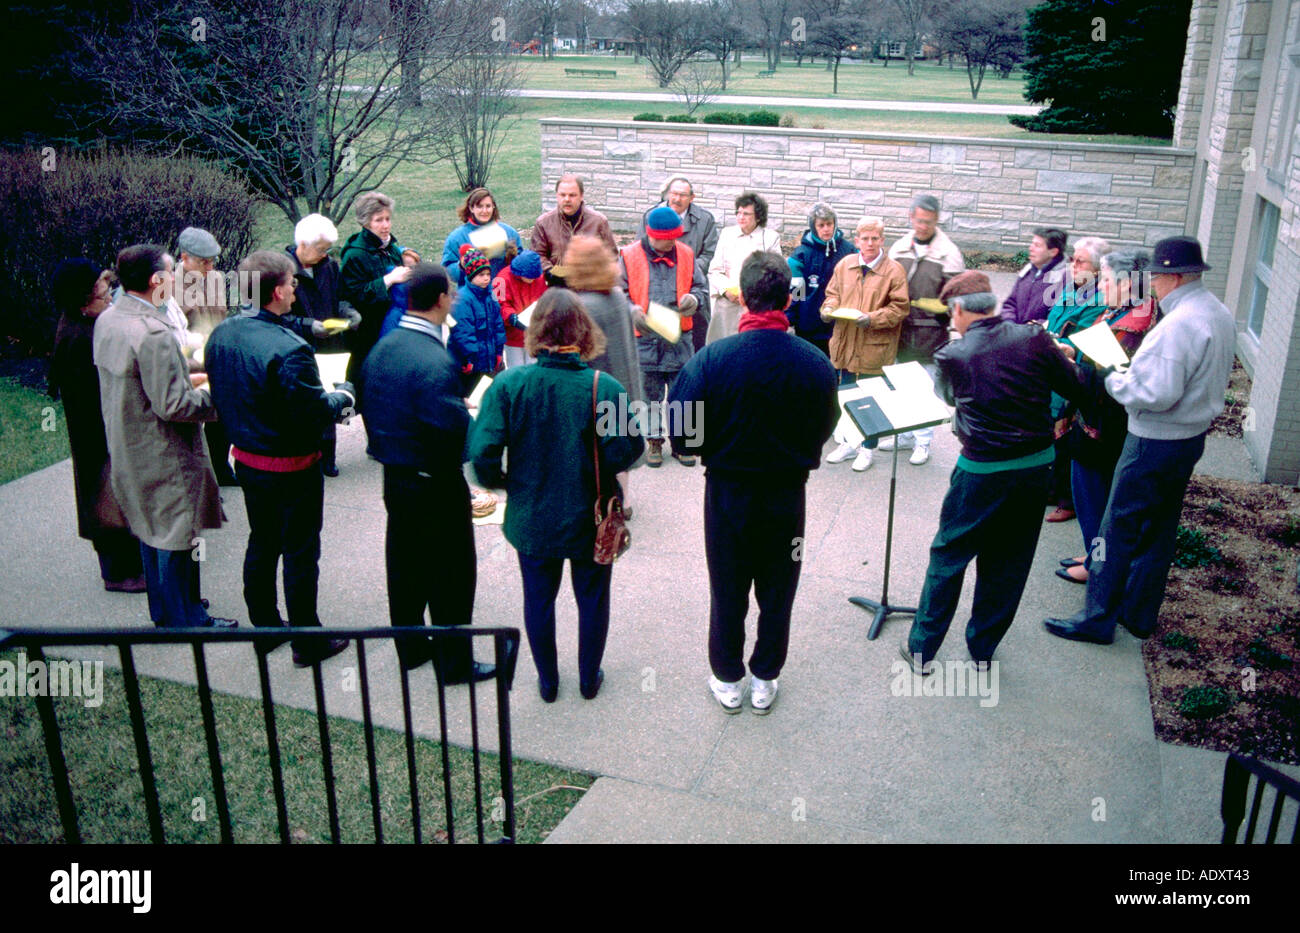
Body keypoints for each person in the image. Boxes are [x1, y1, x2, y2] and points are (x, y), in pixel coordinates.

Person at [1044, 236, 1235, 645]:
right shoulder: (1215, 311)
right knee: (1159, 528)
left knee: (1118, 528)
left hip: (1155, 440)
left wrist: (1113, 377)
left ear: (1177, 276)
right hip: (1188, 438)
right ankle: (1139, 613)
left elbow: (1155, 394)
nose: (1154, 283)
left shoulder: (1179, 325)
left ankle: (1097, 620)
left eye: (1159, 276)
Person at [668, 252, 837, 714]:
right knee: (779, 588)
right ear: (787, 297)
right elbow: (825, 423)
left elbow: (682, 431)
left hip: (727, 492)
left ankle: (728, 677)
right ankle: (765, 676)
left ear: (744, 298)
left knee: (727, 587)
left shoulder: (711, 360)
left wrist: (709, 444)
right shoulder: (814, 362)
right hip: (787, 494)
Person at [900, 272, 1083, 673]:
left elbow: (948, 397)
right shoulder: (1034, 339)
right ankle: (982, 649)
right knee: (1009, 560)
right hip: (1036, 467)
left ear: (961, 309)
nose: (953, 323)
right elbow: (1074, 387)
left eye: (952, 315)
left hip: (980, 469)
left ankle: (922, 649)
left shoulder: (952, 355)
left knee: (948, 556)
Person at [468, 290, 644, 702]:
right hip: (591, 518)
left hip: (532, 518)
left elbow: (482, 453)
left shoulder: (510, 384)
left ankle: (547, 682)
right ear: (584, 332)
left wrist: (506, 483)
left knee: (538, 599)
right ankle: (587, 679)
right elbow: (630, 450)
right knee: (593, 599)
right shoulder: (605, 387)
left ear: (535, 331)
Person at [205, 251, 353, 667]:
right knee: (301, 552)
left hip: (248, 462)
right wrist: (344, 396)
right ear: (275, 292)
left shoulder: (223, 334)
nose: (295, 289)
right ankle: (308, 641)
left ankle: (266, 630)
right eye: (291, 283)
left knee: (263, 541)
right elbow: (314, 411)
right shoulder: (292, 350)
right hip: (292, 467)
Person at [358, 262, 495, 682]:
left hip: (395, 477)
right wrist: (470, 415)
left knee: (405, 566)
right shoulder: (435, 360)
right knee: (452, 573)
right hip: (434, 482)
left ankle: (412, 648)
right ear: (440, 300)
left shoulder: (385, 346)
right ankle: (454, 664)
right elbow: (453, 435)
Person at [93, 245, 236, 629]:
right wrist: (218, 395)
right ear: (157, 281)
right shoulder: (153, 332)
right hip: (165, 451)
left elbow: (143, 385)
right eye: (172, 273)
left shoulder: (110, 319)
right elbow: (174, 406)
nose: (176, 280)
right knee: (178, 535)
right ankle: (187, 619)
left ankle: (169, 610)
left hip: (129, 445)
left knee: (150, 530)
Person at [1055, 248, 1156, 585]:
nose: (1101, 287)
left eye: (1108, 280)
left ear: (1129, 284)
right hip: (1091, 420)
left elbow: (1111, 379)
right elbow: (1094, 355)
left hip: (1106, 429)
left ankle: (1097, 563)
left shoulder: (1133, 328)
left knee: (1096, 500)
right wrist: (1073, 352)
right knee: (1089, 499)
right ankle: (1093, 551)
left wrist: (1072, 366)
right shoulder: (1123, 311)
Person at [48, 259, 145, 593]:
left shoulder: (84, 325)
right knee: (105, 498)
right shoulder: (79, 337)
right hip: (96, 432)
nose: (109, 293)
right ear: (82, 296)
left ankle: (127, 567)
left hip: (103, 427)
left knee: (115, 495)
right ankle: (119, 574)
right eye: (102, 288)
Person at [618, 205, 707, 467]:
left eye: (674, 239)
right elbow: (618, 293)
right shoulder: (629, 255)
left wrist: (695, 299)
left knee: (685, 392)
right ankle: (654, 441)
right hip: (644, 338)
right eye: (665, 239)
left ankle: (683, 444)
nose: (670, 244)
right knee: (649, 394)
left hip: (680, 337)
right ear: (650, 234)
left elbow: (700, 286)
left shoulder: (687, 254)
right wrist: (631, 310)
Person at [820, 216, 910, 472]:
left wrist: (871, 319)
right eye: (864, 238)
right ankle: (849, 443)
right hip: (846, 344)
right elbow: (832, 293)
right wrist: (828, 308)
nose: (869, 244)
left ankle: (867, 449)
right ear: (857, 240)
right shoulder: (845, 264)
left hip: (874, 346)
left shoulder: (894, 271)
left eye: (875, 239)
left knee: (870, 400)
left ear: (883, 240)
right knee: (846, 396)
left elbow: (899, 308)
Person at [883, 193, 965, 465]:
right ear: (911, 217)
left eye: (928, 222)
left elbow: (957, 298)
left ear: (937, 220)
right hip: (901, 332)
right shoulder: (898, 248)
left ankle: (923, 442)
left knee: (924, 390)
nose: (923, 227)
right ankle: (906, 436)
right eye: (919, 221)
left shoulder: (949, 253)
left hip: (932, 334)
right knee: (901, 387)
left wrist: (942, 312)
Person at [286, 213, 363, 477]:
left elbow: (340, 296)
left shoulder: (328, 266)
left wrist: (348, 312)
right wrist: (309, 326)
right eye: (321, 249)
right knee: (305, 404)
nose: (325, 254)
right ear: (303, 245)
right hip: (300, 347)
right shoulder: (284, 270)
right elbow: (278, 316)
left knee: (331, 399)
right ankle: (306, 457)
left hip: (331, 347)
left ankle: (327, 456)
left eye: (327, 249)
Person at [1042, 235, 1112, 523]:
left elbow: (1085, 340)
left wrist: (1059, 343)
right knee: (1052, 434)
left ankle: (1068, 501)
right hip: (1055, 366)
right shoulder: (1073, 289)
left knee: (1067, 435)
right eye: (1072, 258)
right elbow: (1056, 319)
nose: (1072, 264)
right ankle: (1054, 490)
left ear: (1096, 269)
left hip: (1074, 373)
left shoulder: (1098, 299)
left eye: (1079, 260)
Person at [164, 226, 237, 486]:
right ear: (184, 258)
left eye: (212, 261)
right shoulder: (170, 287)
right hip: (191, 360)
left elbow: (220, 316)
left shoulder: (215, 278)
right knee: (195, 421)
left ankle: (220, 467)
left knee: (222, 416)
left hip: (216, 355)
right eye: (203, 261)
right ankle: (200, 477)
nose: (209, 266)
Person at [339, 190, 415, 382]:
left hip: (392, 325)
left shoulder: (392, 249)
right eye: (378, 220)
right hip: (367, 331)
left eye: (388, 219)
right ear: (365, 223)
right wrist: (387, 281)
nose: (385, 225)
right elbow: (353, 295)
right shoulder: (355, 255)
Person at [642, 176, 719, 353]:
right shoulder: (650, 216)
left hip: (691, 289)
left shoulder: (705, 219)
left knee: (693, 346)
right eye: (674, 194)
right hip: (655, 292)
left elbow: (709, 254)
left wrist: (684, 270)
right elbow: (641, 250)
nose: (677, 199)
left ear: (692, 197)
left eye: (682, 195)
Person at [706, 191, 782, 343]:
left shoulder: (770, 238)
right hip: (728, 304)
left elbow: (776, 272)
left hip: (756, 306)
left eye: (746, 214)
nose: (741, 217)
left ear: (758, 216)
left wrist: (753, 294)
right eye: (739, 212)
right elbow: (714, 271)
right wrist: (726, 291)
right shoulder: (727, 234)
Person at [787, 201, 855, 359]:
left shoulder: (850, 251)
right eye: (821, 225)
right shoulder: (800, 256)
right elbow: (796, 292)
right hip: (808, 325)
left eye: (829, 224)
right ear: (813, 227)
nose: (826, 229)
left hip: (839, 325)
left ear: (835, 224)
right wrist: (790, 317)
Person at [530, 174, 617, 279]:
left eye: (572, 195)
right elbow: (536, 256)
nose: (567, 199)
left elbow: (611, 257)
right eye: (562, 195)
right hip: (557, 286)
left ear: (581, 196)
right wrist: (552, 272)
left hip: (591, 286)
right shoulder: (543, 223)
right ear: (557, 196)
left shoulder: (599, 222)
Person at [448, 246, 506, 396]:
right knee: (473, 398)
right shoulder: (463, 299)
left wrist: (499, 350)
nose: (486, 278)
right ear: (470, 275)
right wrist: (469, 358)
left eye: (488, 274)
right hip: (472, 364)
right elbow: (463, 333)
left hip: (490, 359)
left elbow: (498, 325)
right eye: (481, 275)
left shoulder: (490, 295)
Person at [441, 187, 523, 286]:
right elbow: (448, 272)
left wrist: (512, 256)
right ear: (471, 208)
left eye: (488, 206)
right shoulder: (457, 237)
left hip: (503, 291)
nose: (484, 211)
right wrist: (462, 265)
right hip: (472, 294)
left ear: (493, 207)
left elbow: (521, 266)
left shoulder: (509, 233)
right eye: (479, 206)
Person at [1000, 226, 1068, 325]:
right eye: (1032, 243)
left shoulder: (1065, 279)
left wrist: (1027, 330)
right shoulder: (1029, 269)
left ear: (1053, 252)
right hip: (1014, 332)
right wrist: (1009, 322)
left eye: (1037, 245)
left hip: (1038, 337)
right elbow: (1010, 303)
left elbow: (1055, 319)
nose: (1031, 248)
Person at [493, 249, 547, 368]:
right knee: (516, 369)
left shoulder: (538, 277)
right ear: (520, 273)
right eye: (530, 278)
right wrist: (511, 317)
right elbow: (498, 305)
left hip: (534, 335)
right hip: (513, 336)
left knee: (533, 370)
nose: (533, 280)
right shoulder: (501, 279)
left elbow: (544, 299)